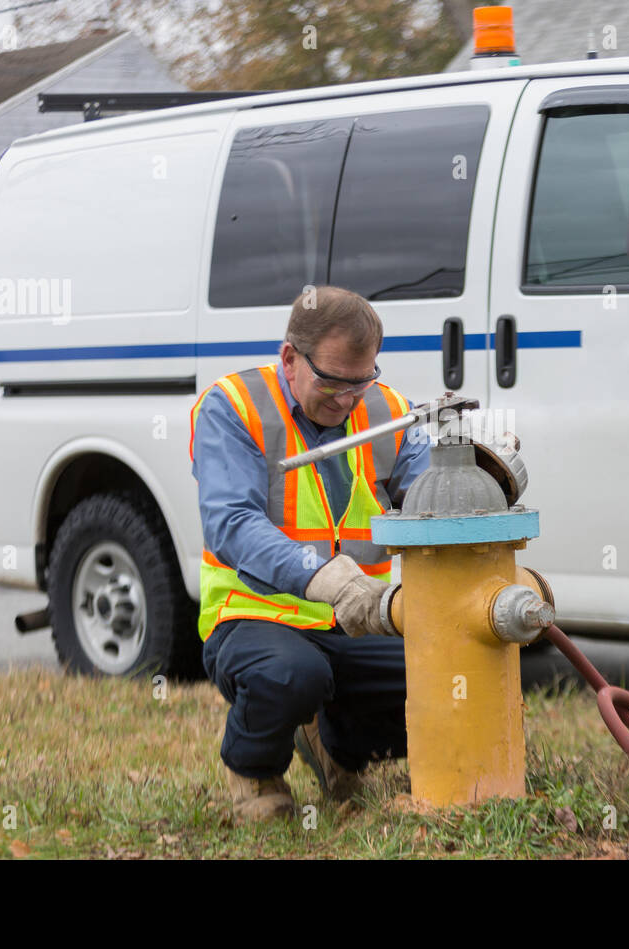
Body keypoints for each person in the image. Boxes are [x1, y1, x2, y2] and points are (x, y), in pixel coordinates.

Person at [189, 285, 431, 823]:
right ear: (290, 358)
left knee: (441, 674)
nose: (347, 399)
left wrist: (474, 479)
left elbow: (429, 500)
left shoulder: (389, 411)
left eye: (361, 380)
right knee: (290, 675)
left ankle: (341, 750)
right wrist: (328, 579)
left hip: (355, 621)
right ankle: (254, 772)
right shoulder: (232, 407)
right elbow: (232, 523)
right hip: (256, 615)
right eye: (332, 382)